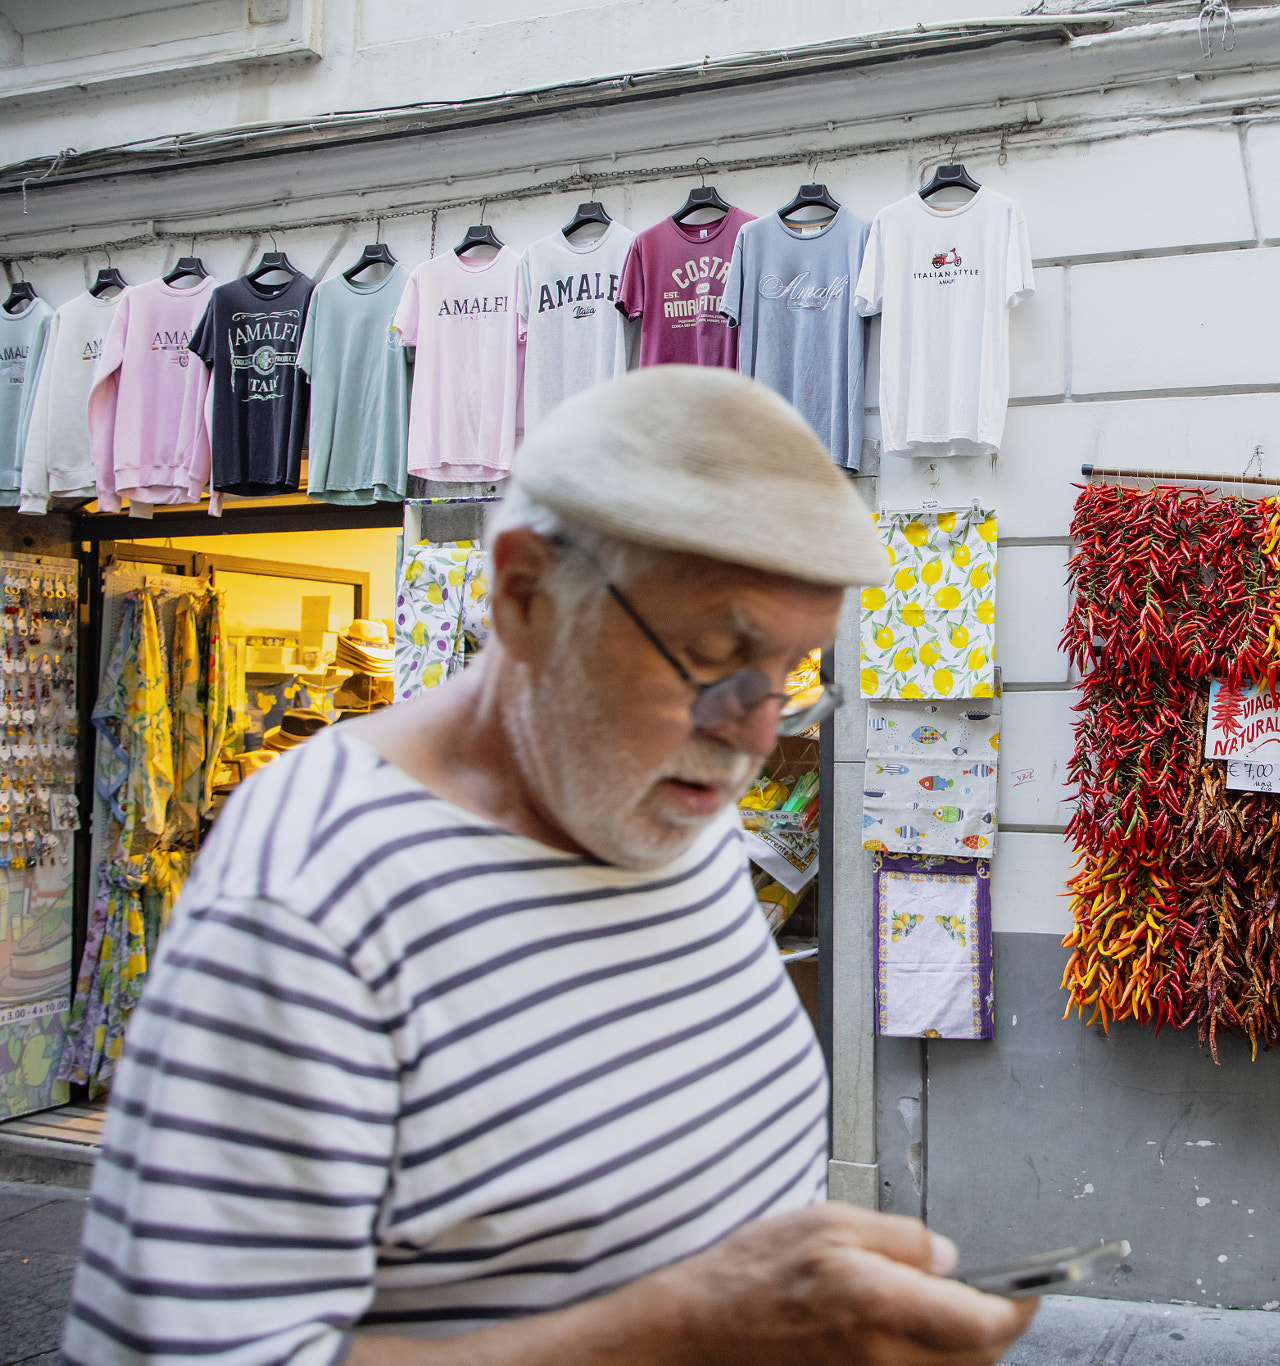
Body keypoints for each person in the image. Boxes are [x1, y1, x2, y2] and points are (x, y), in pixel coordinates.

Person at [64, 367, 1036, 1364]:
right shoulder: (308, 896)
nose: (751, 731)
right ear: (524, 591)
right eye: (713, 657)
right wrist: (688, 1331)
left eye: (790, 674)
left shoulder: (662, 808)